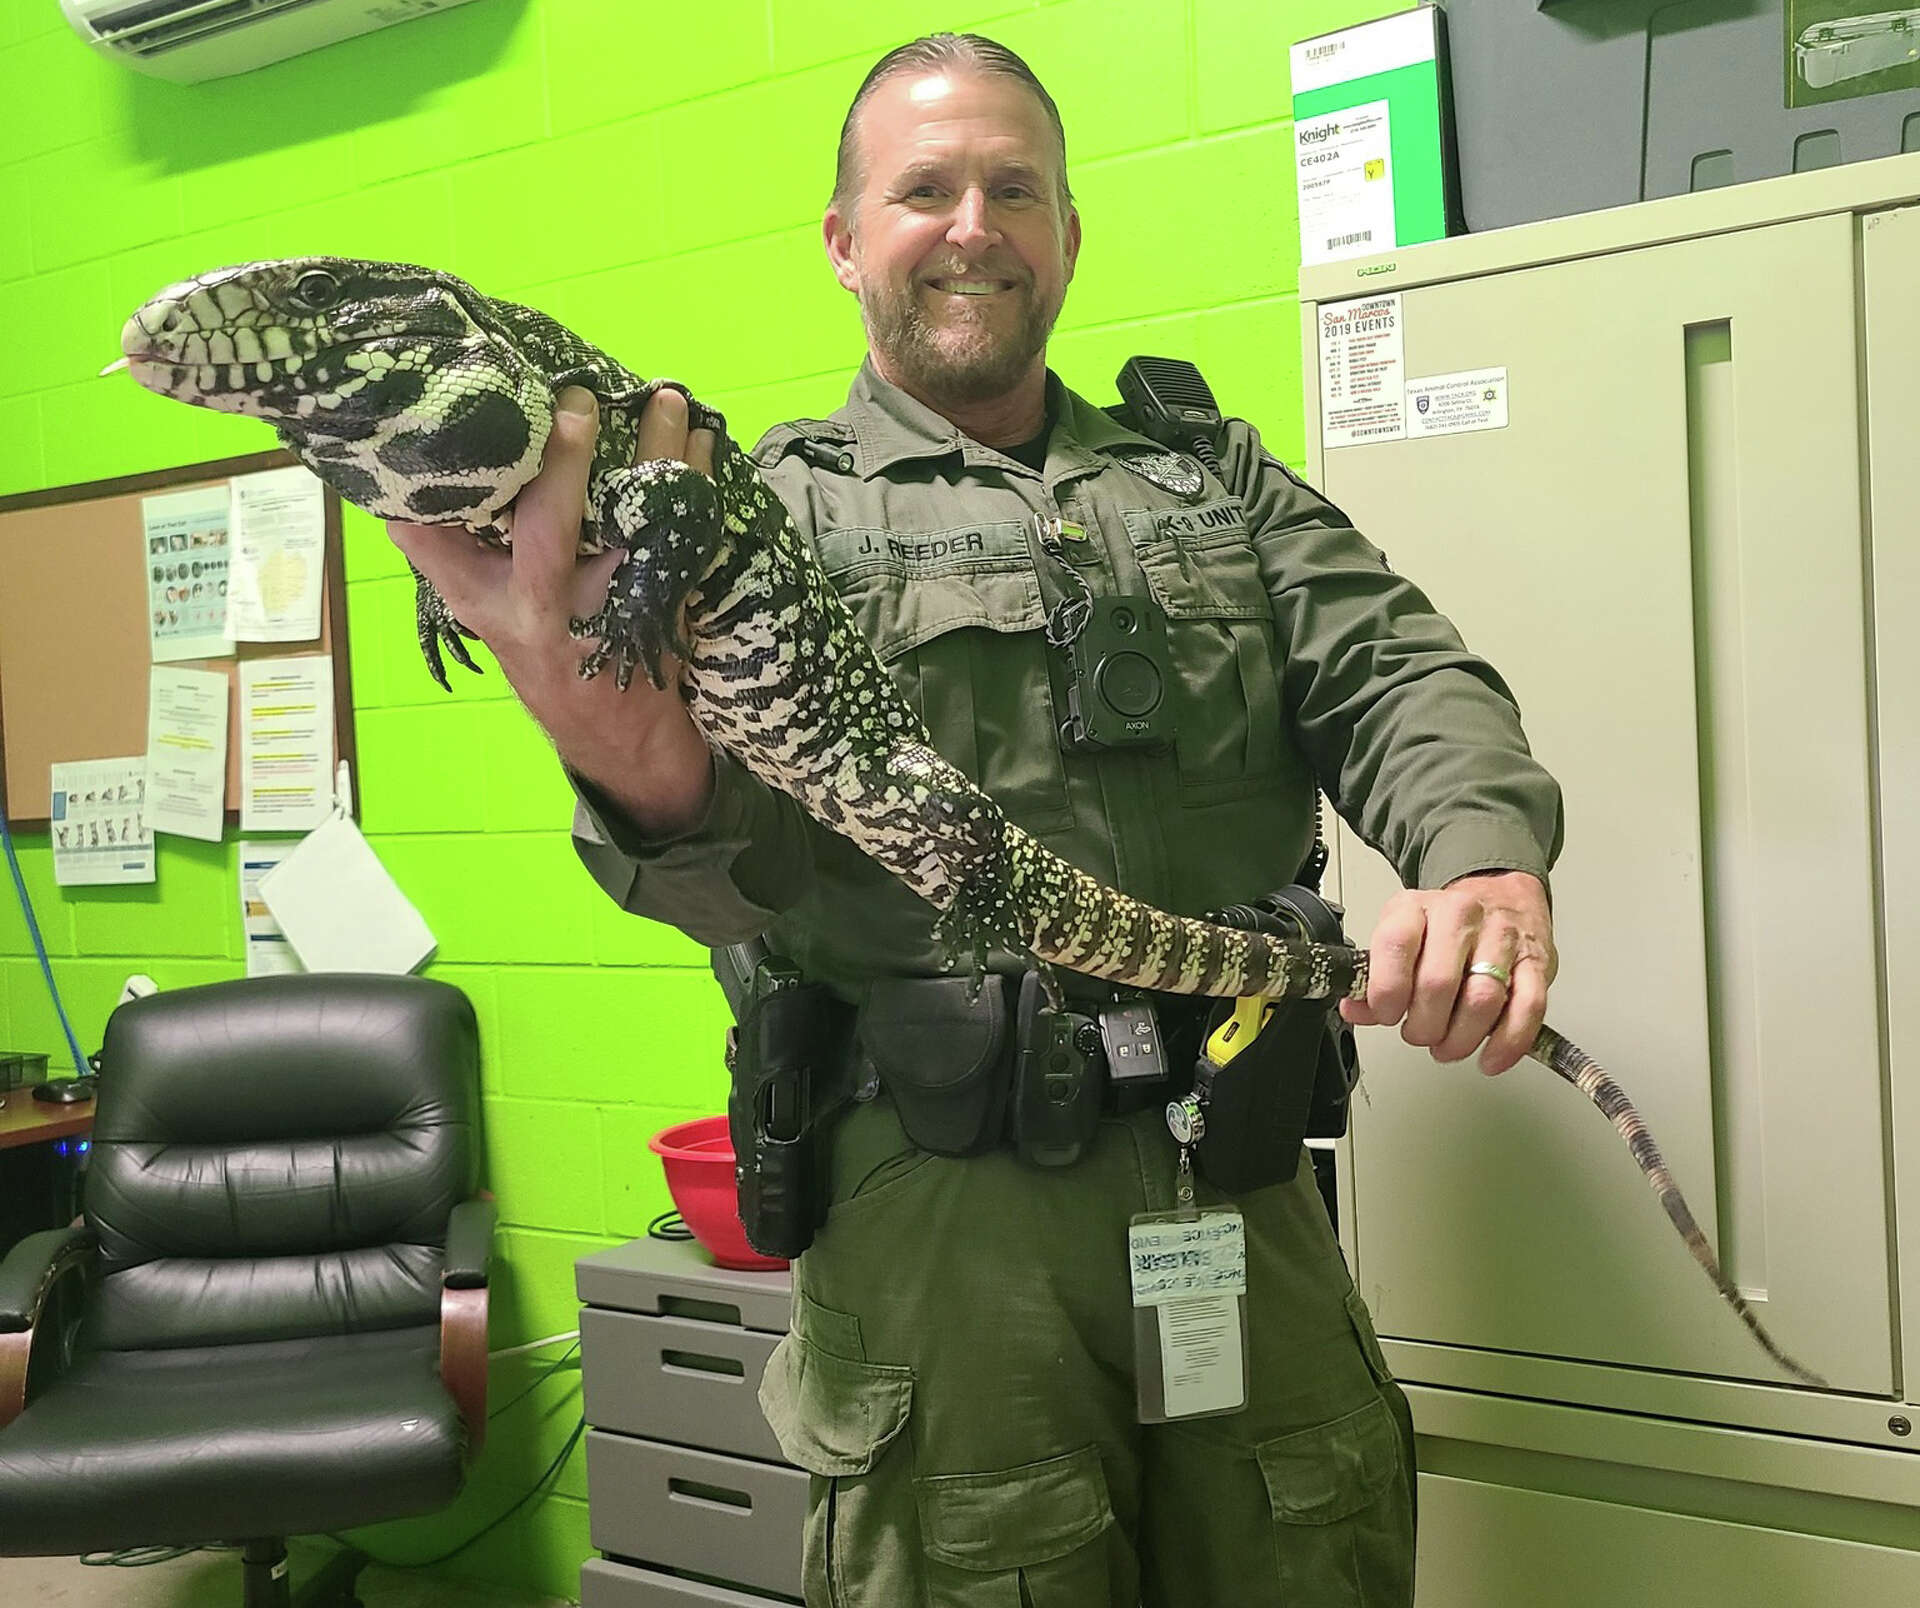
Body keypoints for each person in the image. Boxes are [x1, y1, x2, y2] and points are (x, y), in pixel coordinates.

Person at [390, 32, 1561, 1607]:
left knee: (1310, 1549)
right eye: (922, 189)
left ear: (1068, 232)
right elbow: (734, 869)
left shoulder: (1218, 488)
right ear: (845, 239)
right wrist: (632, 763)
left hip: (1240, 1181)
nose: (972, 225)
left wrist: (1481, 850)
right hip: (943, 1235)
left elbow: (1399, 671)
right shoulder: (759, 514)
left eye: (1016, 188)